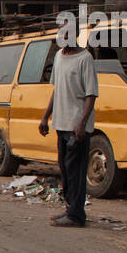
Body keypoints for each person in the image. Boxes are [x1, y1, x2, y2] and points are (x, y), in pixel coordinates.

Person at [39, 37, 99, 228]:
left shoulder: (85, 58)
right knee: (65, 171)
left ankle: (76, 215)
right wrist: (45, 117)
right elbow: (57, 90)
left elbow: (91, 94)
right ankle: (70, 209)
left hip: (76, 126)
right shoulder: (58, 56)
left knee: (76, 172)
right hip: (61, 123)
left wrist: (82, 124)